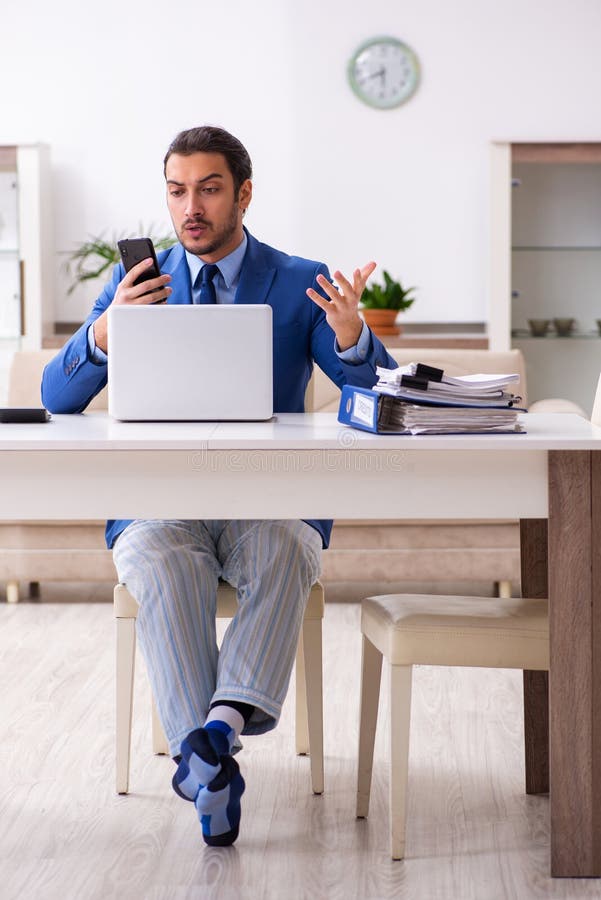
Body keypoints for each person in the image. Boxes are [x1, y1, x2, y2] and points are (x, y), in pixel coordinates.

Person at [42, 125, 397, 847]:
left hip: (267, 498)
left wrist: (351, 337)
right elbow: (57, 396)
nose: (190, 208)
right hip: (158, 499)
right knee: (163, 562)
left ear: (243, 194)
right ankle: (210, 761)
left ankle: (211, 740)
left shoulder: (298, 280)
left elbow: (377, 397)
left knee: (284, 551)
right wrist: (106, 333)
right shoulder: (136, 285)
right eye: (177, 191)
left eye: (208, 189)